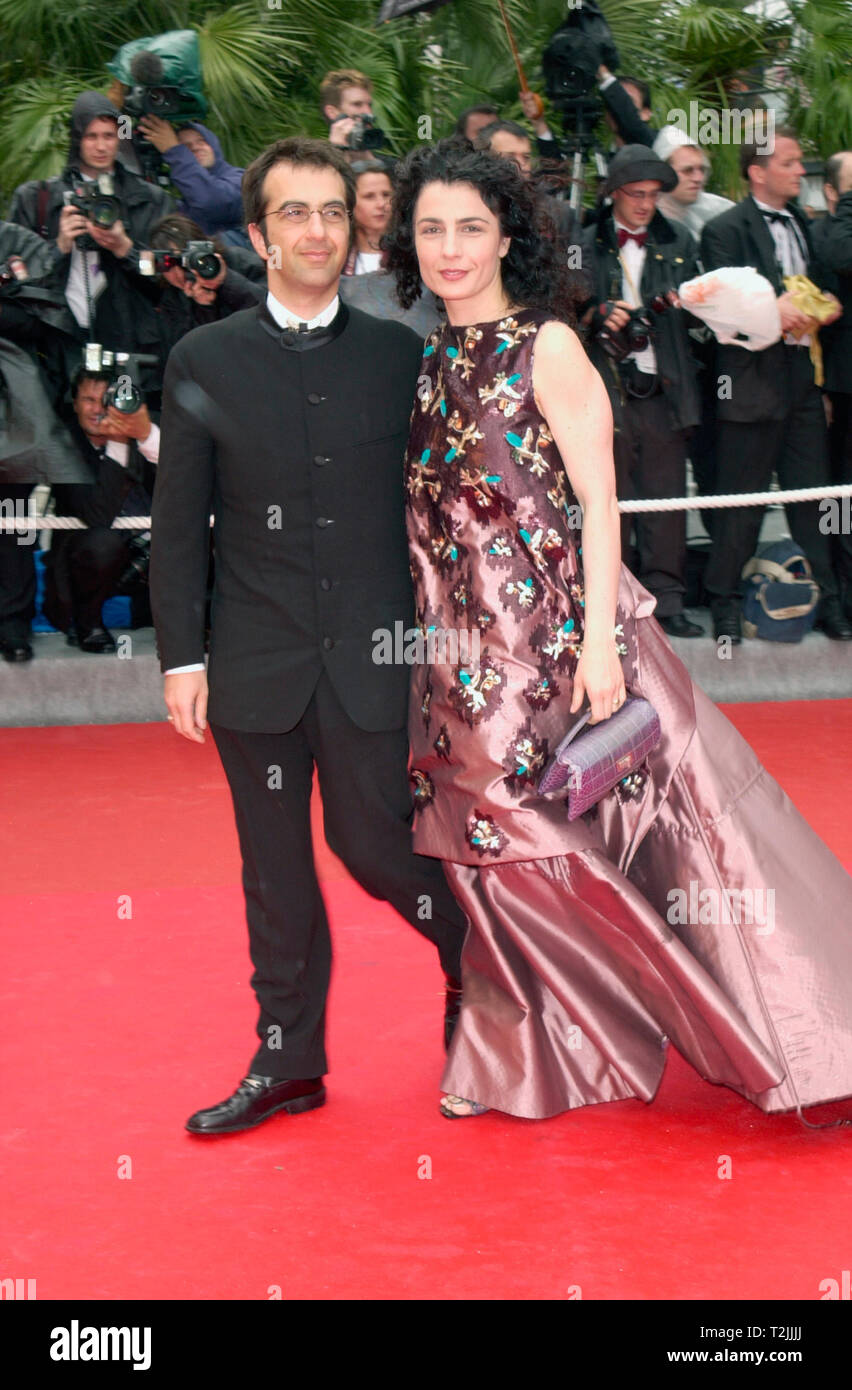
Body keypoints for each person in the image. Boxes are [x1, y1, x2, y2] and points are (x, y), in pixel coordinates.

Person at [383, 139, 852, 1123]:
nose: (450, 248)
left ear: (508, 236)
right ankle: (537, 1048)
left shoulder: (546, 345)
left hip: (556, 643)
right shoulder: (429, 358)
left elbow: (603, 504)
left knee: (616, 841)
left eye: (470, 227)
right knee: (485, 850)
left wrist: (600, 643)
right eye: (431, 229)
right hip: (459, 656)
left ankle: (739, 1026)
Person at [149, 137, 467, 1137]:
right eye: (295, 213)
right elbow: (177, 520)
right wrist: (181, 657)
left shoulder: (401, 355)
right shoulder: (203, 358)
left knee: (377, 846)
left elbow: (444, 513)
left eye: (333, 211)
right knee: (273, 869)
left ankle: (483, 979)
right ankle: (288, 1058)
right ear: (257, 234)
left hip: (377, 659)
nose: (318, 230)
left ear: (353, 226)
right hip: (253, 658)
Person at [700, 128, 851, 642]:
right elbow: (719, 304)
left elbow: (818, 286)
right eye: (788, 162)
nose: (799, 171)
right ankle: (723, 602)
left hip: (802, 384)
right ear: (757, 171)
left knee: (815, 499)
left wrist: (821, 308)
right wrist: (773, 313)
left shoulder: (808, 226)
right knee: (739, 503)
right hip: (747, 384)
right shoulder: (724, 228)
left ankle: (829, 601)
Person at [581, 145, 704, 638]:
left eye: (653, 196)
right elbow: (561, 311)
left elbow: (700, 316)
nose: (645, 205)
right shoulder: (584, 241)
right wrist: (597, 313)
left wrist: (680, 303)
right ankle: (614, 601)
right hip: (602, 390)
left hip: (663, 388)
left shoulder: (679, 241)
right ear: (613, 193)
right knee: (610, 499)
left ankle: (667, 600)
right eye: (635, 194)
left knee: (666, 497)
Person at [44, 365, 159, 651]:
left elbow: (183, 479)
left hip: (148, 547)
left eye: (104, 401)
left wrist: (144, 435)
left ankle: (203, 626)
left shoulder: (138, 426)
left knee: (206, 529)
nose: (98, 410)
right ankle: (88, 624)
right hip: (91, 555)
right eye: (88, 400)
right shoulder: (61, 442)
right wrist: (118, 444)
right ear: (74, 404)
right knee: (103, 542)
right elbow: (98, 516)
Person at [811, 151, 852, 619]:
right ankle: (840, 592)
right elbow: (841, 256)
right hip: (841, 388)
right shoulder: (827, 233)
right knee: (841, 494)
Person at [133, 116, 249, 247]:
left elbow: (213, 203)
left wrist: (175, 151)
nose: (195, 148)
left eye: (201, 141)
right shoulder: (181, 204)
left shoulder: (240, 178)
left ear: (213, 145)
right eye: (186, 146)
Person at [653, 127, 734, 238]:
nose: (698, 178)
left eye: (702, 169)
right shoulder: (641, 219)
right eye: (688, 170)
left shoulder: (720, 210)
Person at [342, 161, 393, 275]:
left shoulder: (411, 255)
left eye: (386, 195)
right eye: (369, 196)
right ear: (349, 203)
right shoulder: (338, 258)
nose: (381, 204)